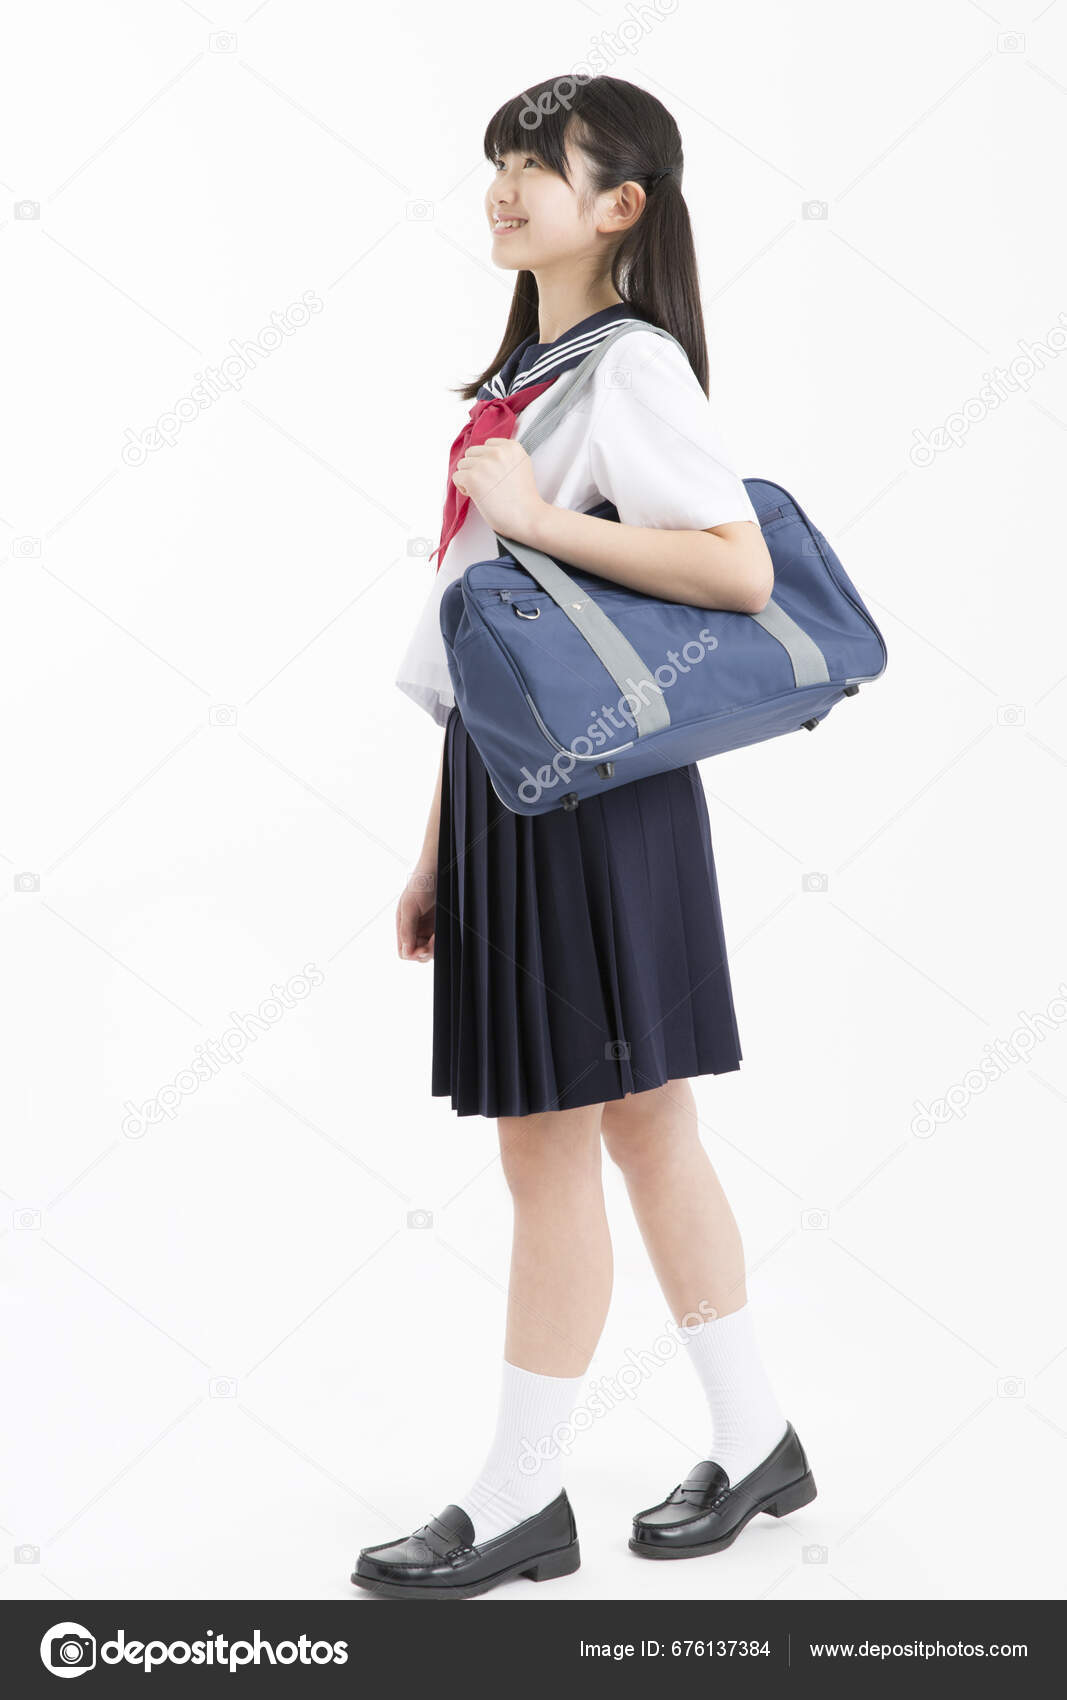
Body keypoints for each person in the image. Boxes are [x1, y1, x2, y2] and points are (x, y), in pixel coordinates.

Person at [352, 74, 816, 1602]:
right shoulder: (529, 388)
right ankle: (758, 1443)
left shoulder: (630, 371)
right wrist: (435, 847)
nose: (503, 184)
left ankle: (517, 1501)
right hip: (520, 794)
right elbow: (486, 648)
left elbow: (738, 569)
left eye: (536, 163)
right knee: (637, 1126)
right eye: (495, 159)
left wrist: (536, 516)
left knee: (553, 1148)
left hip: (592, 804)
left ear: (620, 207)